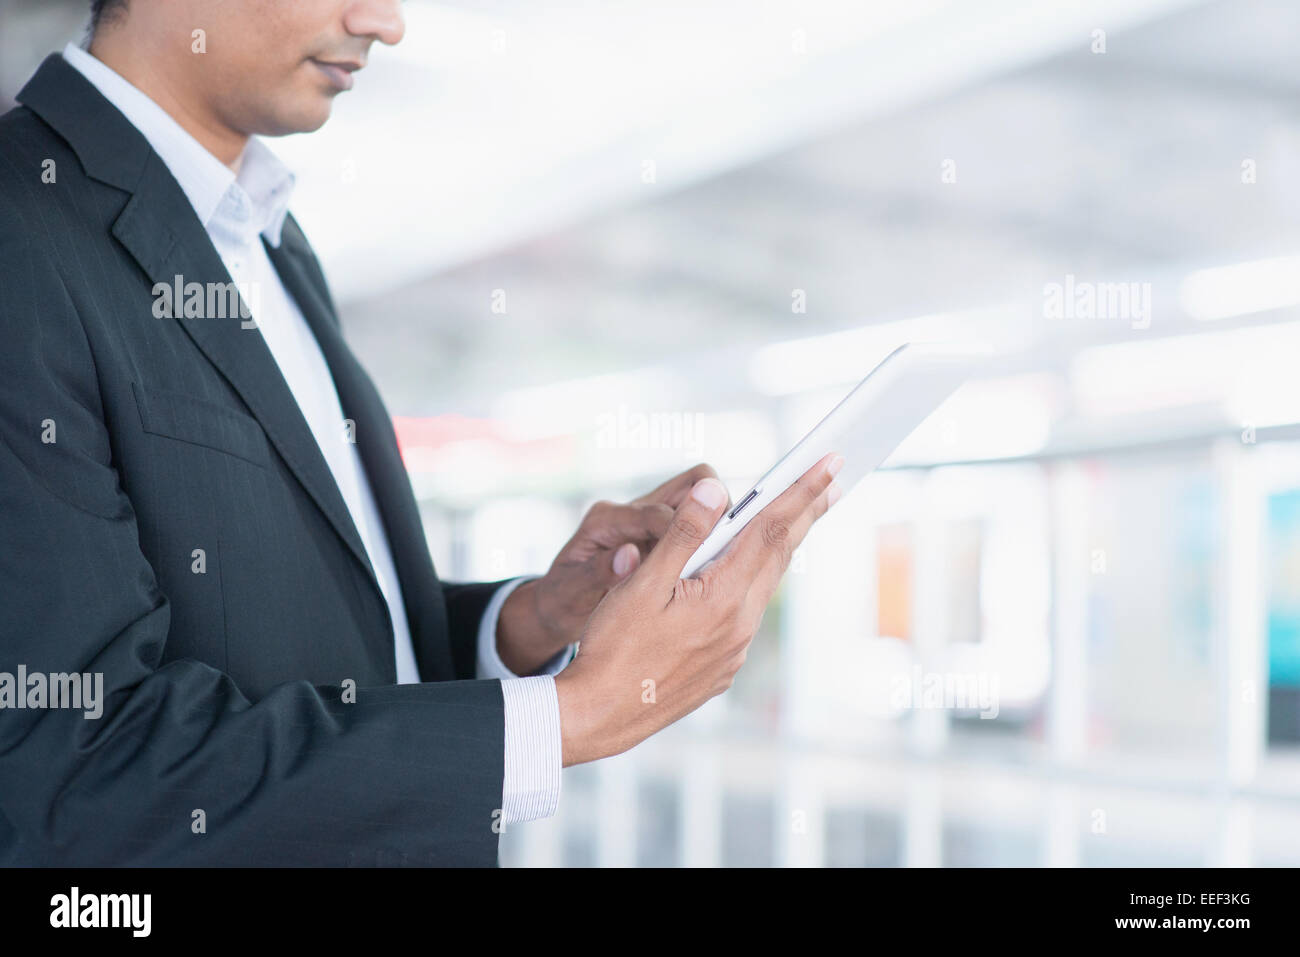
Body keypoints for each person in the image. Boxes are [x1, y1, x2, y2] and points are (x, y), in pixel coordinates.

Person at [0, 0, 843, 865]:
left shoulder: (269, 241)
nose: (386, 22)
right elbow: (66, 772)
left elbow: (329, 636)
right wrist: (573, 716)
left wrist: (527, 623)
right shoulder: (20, 226)